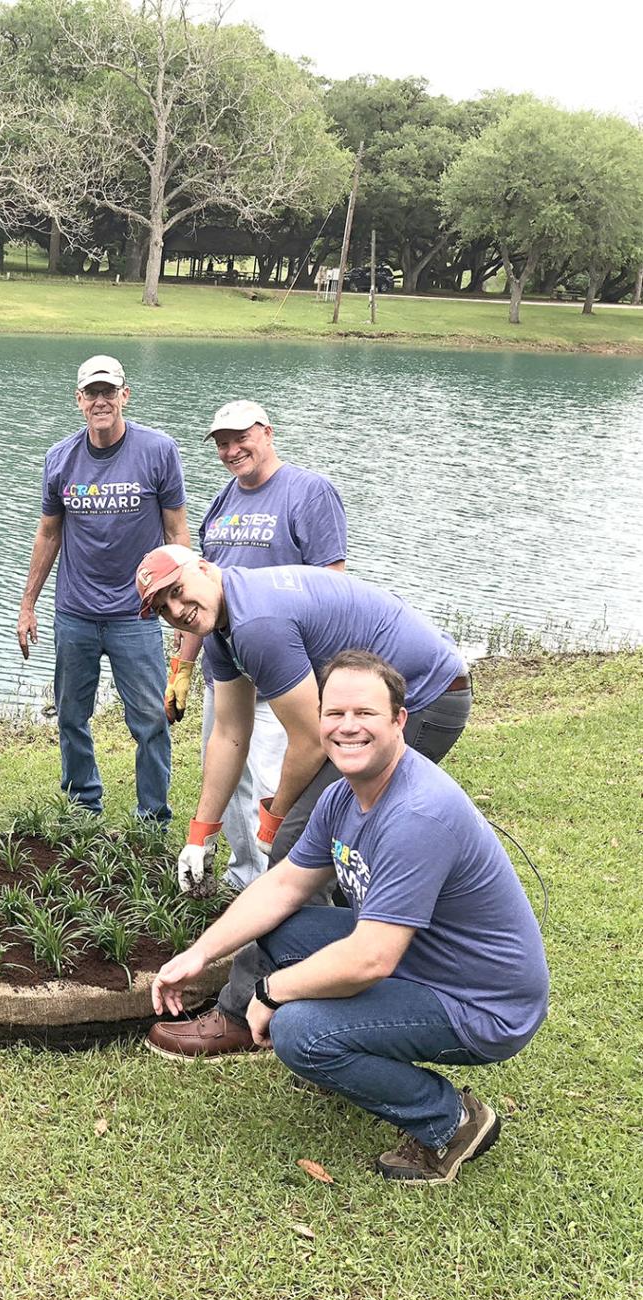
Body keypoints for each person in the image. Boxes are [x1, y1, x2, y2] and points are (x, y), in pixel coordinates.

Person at [150, 651, 548, 1184]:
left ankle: (450, 1122)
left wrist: (270, 992)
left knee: (299, 1032)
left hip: (480, 1002)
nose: (348, 727)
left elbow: (370, 959)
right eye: (335, 713)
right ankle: (352, 1054)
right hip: (422, 959)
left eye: (366, 713)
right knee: (283, 927)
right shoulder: (343, 795)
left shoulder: (415, 815)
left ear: (400, 720)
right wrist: (199, 955)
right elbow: (285, 885)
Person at [136, 546, 472, 1056]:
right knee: (329, 844)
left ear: (204, 568)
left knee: (295, 851)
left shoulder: (257, 623)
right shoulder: (223, 629)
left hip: (423, 698)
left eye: (177, 591)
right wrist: (199, 836)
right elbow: (228, 733)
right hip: (390, 699)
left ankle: (240, 1014)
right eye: (162, 607)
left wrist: (274, 818)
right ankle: (353, 973)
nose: (176, 609)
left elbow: (312, 739)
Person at [168, 400, 346, 892]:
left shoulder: (309, 492)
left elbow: (332, 587)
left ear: (267, 432)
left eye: (240, 437)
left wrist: (327, 677)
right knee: (227, 778)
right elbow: (196, 597)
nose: (230, 449)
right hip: (228, 670)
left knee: (277, 787)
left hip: (288, 673)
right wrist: (182, 667)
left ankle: (292, 889)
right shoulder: (223, 502)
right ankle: (244, 878)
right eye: (221, 443)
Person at [17, 355, 188, 821]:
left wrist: (183, 607)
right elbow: (49, 534)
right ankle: (82, 807)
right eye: (91, 393)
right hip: (74, 612)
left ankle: (152, 818)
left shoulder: (158, 451)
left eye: (108, 392)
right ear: (79, 400)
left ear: (124, 396)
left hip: (138, 613)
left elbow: (177, 533)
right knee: (72, 716)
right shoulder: (59, 459)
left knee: (151, 720)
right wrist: (27, 604)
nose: (100, 401)